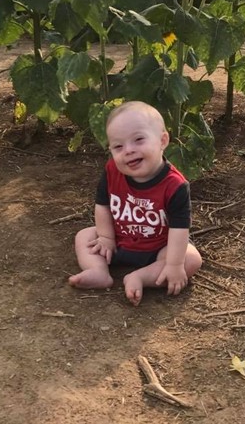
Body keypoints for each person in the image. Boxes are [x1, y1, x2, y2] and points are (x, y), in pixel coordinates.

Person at [67, 101, 203, 305]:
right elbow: (102, 204)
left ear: (163, 141)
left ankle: (140, 277)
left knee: (191, 259)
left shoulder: (175, 185)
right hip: (117, 242)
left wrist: (174, 265)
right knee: (84, 235)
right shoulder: (112, 170)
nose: (128, 150)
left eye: (138, 140)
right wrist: (105, 237)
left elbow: (179, 229)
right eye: (118, 146)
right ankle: (98, 271)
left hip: (158, 249)